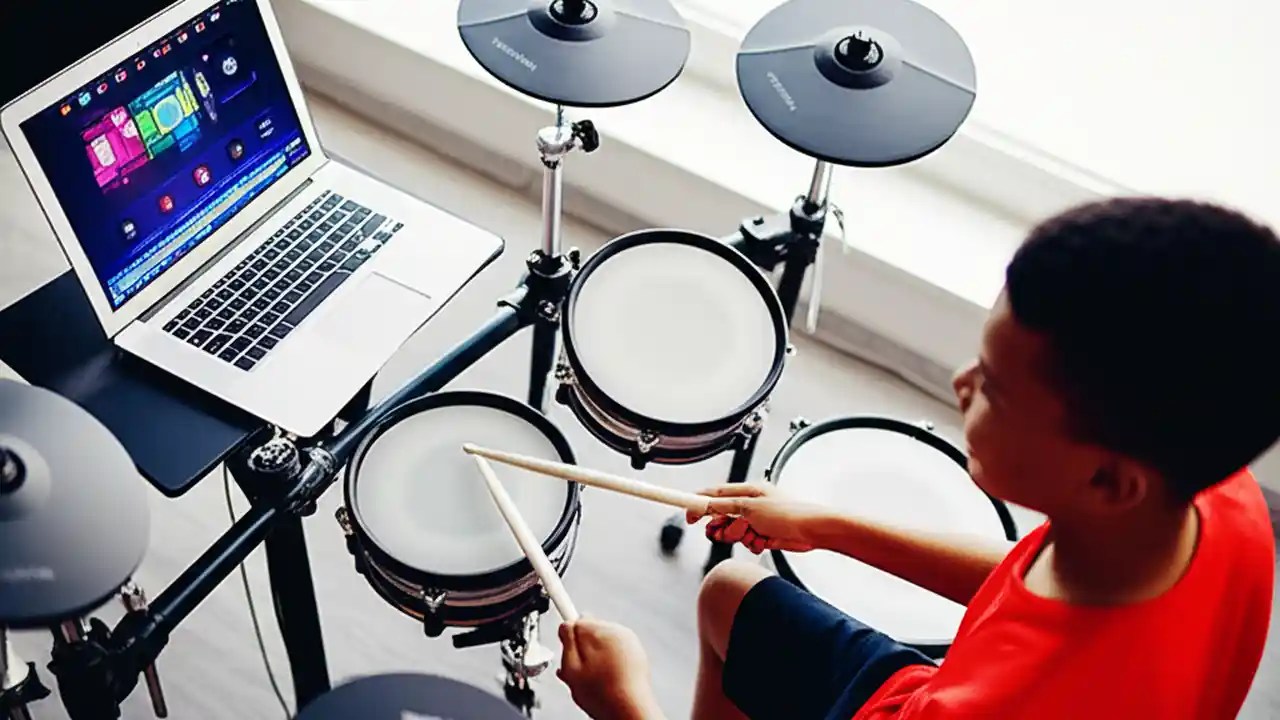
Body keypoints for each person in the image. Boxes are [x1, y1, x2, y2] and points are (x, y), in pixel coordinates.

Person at [556, 197, 1280, 719]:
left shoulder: (990, 706)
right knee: (728, 595)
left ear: (1110, 479)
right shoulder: (1217, 496)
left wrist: (622, 701)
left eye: (994, 388)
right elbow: (1028, 576)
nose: (961, 383)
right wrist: (826, 525)